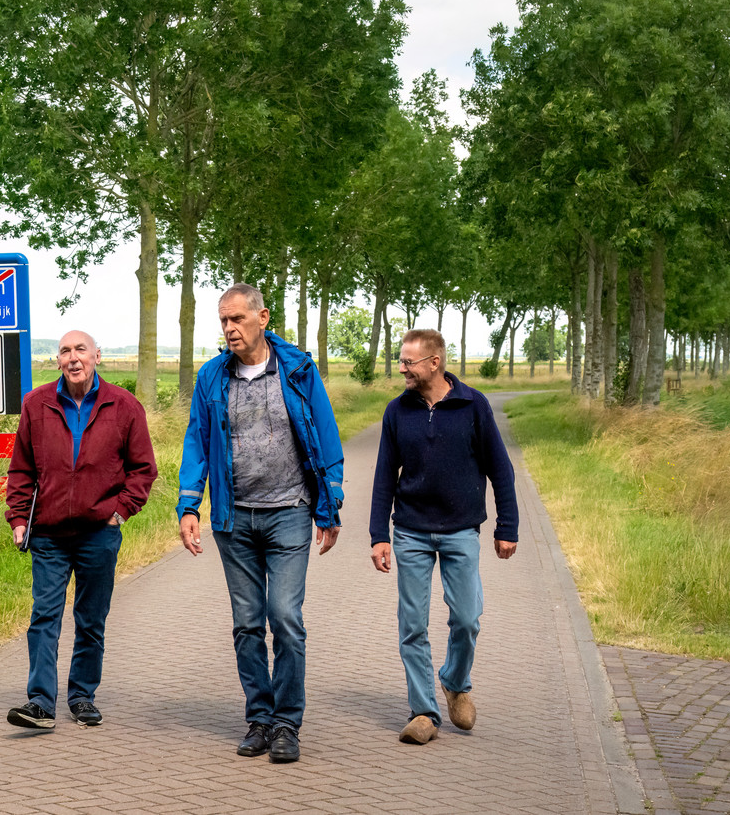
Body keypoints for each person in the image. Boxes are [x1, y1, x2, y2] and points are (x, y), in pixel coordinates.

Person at [177, 284, 345, 764]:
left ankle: (288, 723)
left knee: (285, 618)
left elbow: (326, 434)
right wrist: (189, 507)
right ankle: (260, 718)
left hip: (290, 511)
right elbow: (196, 444)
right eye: (223, 321)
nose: (230, 329)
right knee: (247, 624)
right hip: (234, 518)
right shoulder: (212, 378)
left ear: (262, 317)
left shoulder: (296, 370)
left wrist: (328, 507)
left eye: (237, 319)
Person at [368, 328, 518, 745]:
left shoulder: (473, 405)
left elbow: (500, 469)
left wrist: (508, 526)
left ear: (435, 363)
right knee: (412, 625)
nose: (402, 368)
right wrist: (379, 534)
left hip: (461, 530)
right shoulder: (397, 411)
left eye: (408, 362)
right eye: (400, 360)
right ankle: (423, 711)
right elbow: (384, 476)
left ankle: (455, 680)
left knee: (467, 618)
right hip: (411, 531)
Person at [3, 330, 158, 730]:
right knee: (44, 617)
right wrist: (19, 519)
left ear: (97, 357)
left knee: (91, 618)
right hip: (49, 534)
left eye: (81, 350)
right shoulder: (36, 405)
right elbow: (20, 469)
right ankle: (40, 702)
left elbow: (143, 470)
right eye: (65, 351)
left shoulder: (124, 406)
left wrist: (120, 511)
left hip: (98, 534)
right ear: (57, 360)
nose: (73, 358)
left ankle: (82, 696)